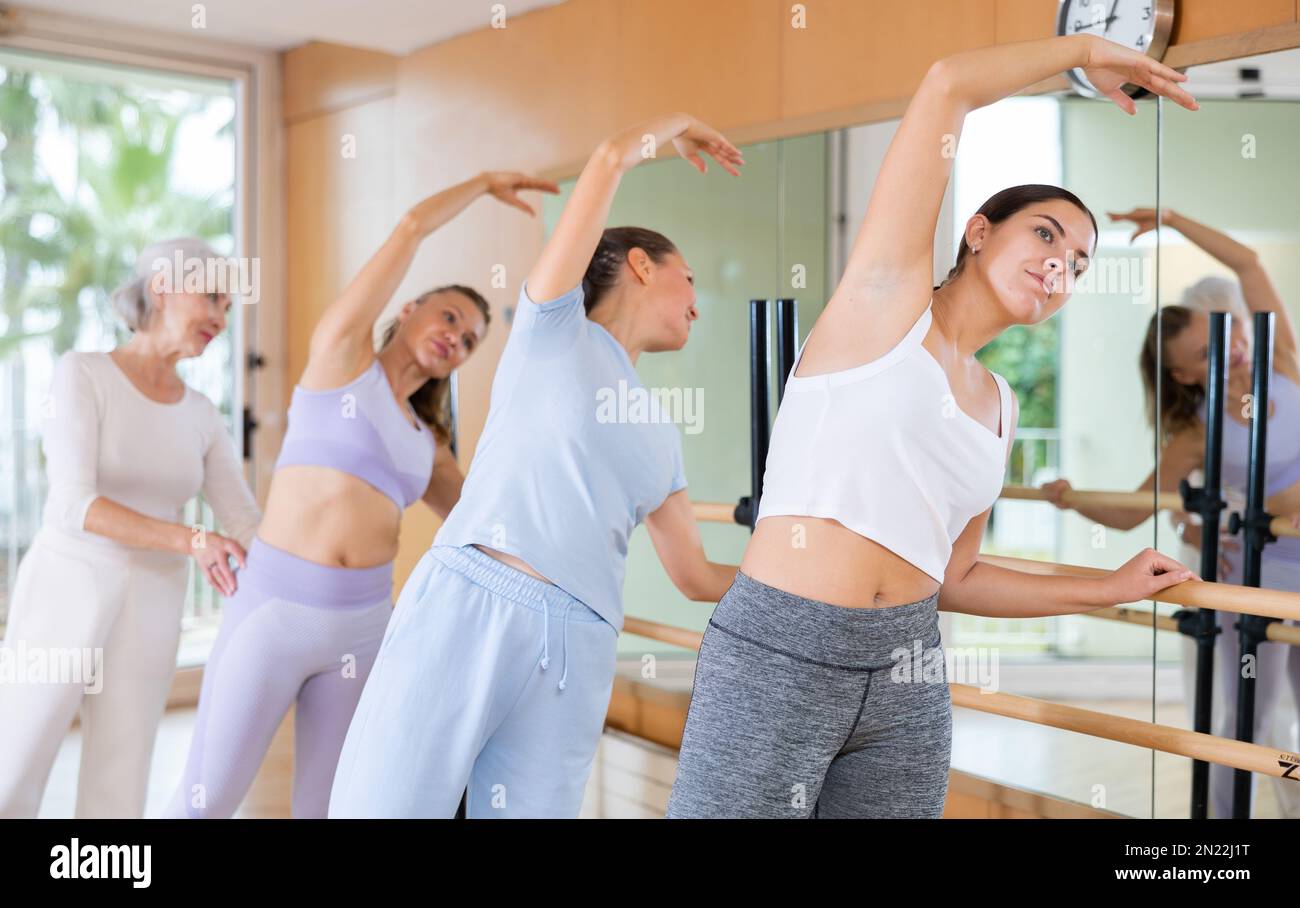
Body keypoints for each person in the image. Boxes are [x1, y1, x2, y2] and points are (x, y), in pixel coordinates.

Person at [666, 33, 1200, 819]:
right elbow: (946, 85)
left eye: (1081, 263)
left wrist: (1107, 587)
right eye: (1046, 235)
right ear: (979, 231)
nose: (1063, 265)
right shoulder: (883, 307)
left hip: (907, 673)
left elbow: (958, 576)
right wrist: (1087, 49)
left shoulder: (1000, 403)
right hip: (780, 653)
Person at [328, 114, 744, 819]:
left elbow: (697, 575)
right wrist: (668, 129)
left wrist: (819, 578)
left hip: (579, 646)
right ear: (641, 265)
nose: (698, 303)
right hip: (472, 601)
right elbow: (608, 155)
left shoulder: (660, 432)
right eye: (689, 278)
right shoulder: (552, 332)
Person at [163, 172, 555, 818]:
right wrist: (483, 185)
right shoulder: (340, 359)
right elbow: (410, 227)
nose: (456, 336)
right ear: (408, 311)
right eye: (449, 316)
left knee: (331, 809)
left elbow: (488, 525)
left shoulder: (427, 444)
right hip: (274, 612)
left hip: (364, 631)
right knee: (205, 801)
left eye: (470, 340)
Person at [1044, 208, 1300, 818]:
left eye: (1230, 334)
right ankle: (1214, 839)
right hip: (1258, 579)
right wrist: (1071, 496)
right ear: (1184, 374)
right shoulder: (1192, 434)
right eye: (1208, 353)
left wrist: (1172, 220)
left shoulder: (1284, 364)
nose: (1234, 350)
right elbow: (1135, 512)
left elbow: (1248, 263)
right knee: (1244, 723)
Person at [0, 237, 260, 818]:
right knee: (15, 755)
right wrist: (191, 539)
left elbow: (244, 521)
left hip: (154, 599)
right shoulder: (83, 374)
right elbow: (72, 503)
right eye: (212, 297)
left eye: (229, 307)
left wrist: (326, 567)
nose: (220, 317)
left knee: (123, 769)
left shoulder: (200, 414)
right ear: (163, 287)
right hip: (68, 585)